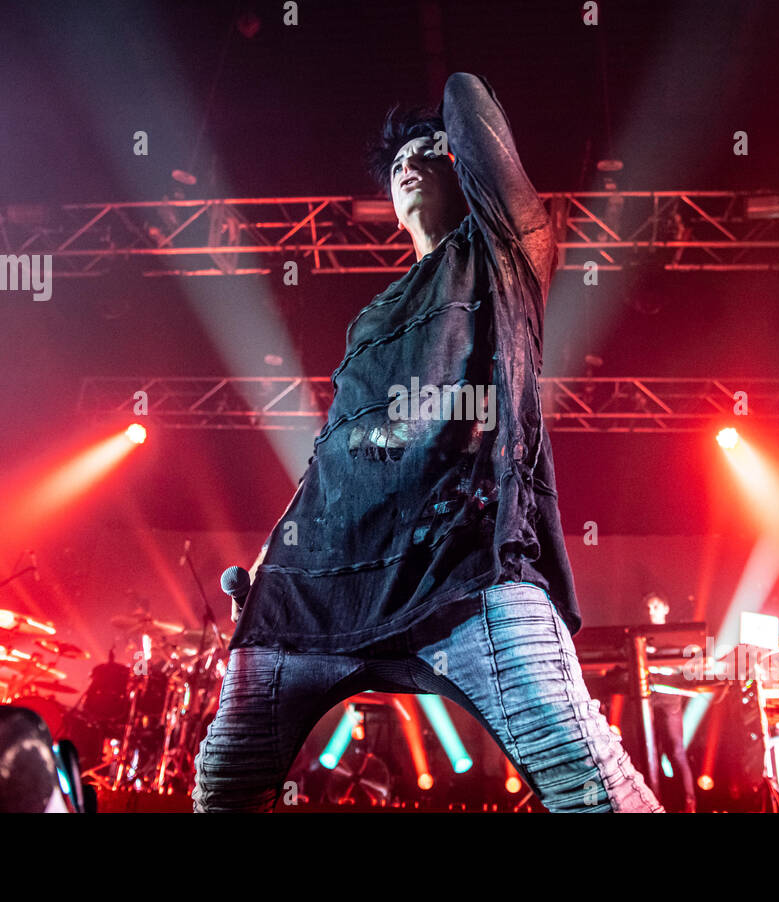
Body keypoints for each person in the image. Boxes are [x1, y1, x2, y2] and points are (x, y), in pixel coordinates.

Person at [192, 72, 661, 812]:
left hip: (464, 568)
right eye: (397, 160)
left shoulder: (507, 251)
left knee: (589, 784)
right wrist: (274, 549)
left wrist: (446, 119)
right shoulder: (371, 318)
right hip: (321, 581)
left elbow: (469, 100)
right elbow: (334, 451)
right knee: (224, 778)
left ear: (459, 165)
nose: (408, 164)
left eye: (428, 152)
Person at [642, 593, 697, 812]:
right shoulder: (642, 636)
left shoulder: (674, 634)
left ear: (665, 609)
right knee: (649, 750)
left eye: (655, 606)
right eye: (648, 607)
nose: (650, 611)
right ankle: (652, 803)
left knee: (675, 750)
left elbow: (685, 663)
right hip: (648, 696)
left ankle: (688, 804)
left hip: (670, 696)